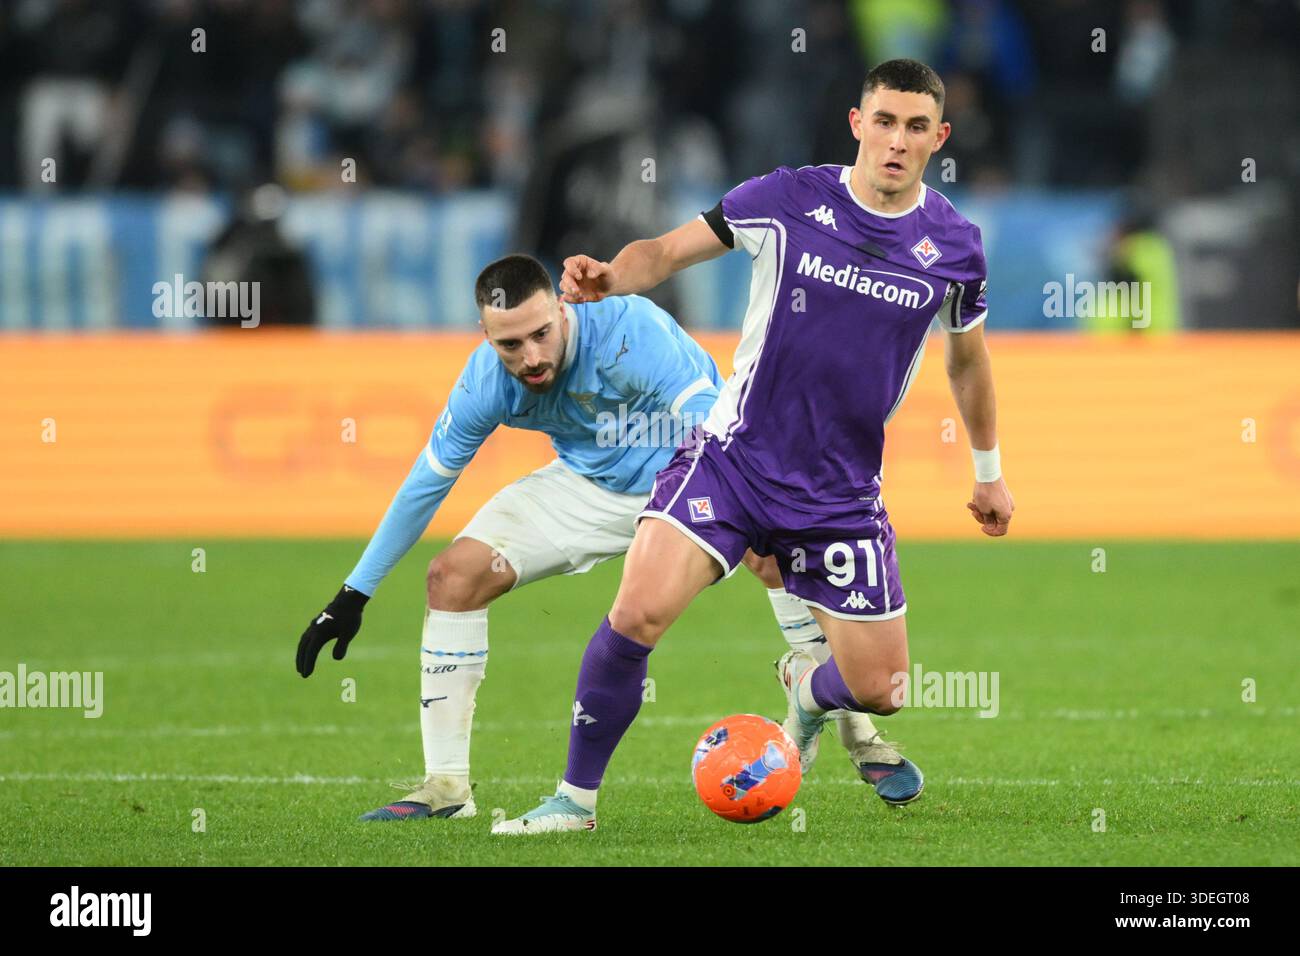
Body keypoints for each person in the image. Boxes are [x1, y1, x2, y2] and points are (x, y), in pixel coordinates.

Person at [494, 59, 1013, 835]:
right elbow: (667, 251)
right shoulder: (787, 199)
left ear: (938, 138)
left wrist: (988, 472)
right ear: (856, 124)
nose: (896, 141)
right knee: (637, 613)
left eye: (914, 127)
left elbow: (966, 359)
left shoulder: (956, 247)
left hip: (840, 494)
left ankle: (807, 693)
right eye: (883, 122)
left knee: (883, 688)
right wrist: (611, 275)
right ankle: (574, 801)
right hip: (733, 463)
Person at [295, 252, 921, 821]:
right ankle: (447, 789)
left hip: (692, 468)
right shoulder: (486, 382)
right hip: (584, 485)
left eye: (542, 334)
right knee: (451, 578)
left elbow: (710, 422)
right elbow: (425, 486)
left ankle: (858, 732)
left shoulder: (632, 334)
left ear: (564, 310)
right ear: (486, 338)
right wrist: (355, 593)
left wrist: (752, 512)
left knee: (772, 557)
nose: (531, 358)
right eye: (510, 344)